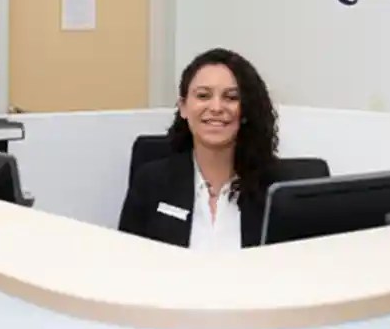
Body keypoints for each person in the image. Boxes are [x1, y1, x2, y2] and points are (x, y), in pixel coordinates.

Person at [118, 47, 280, 250]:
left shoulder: (276, 190)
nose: (216, 108)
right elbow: (127, 265)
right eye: (203, 96)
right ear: (184, 107)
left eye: (231, 97)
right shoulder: (151, 183)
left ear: (246, 110)